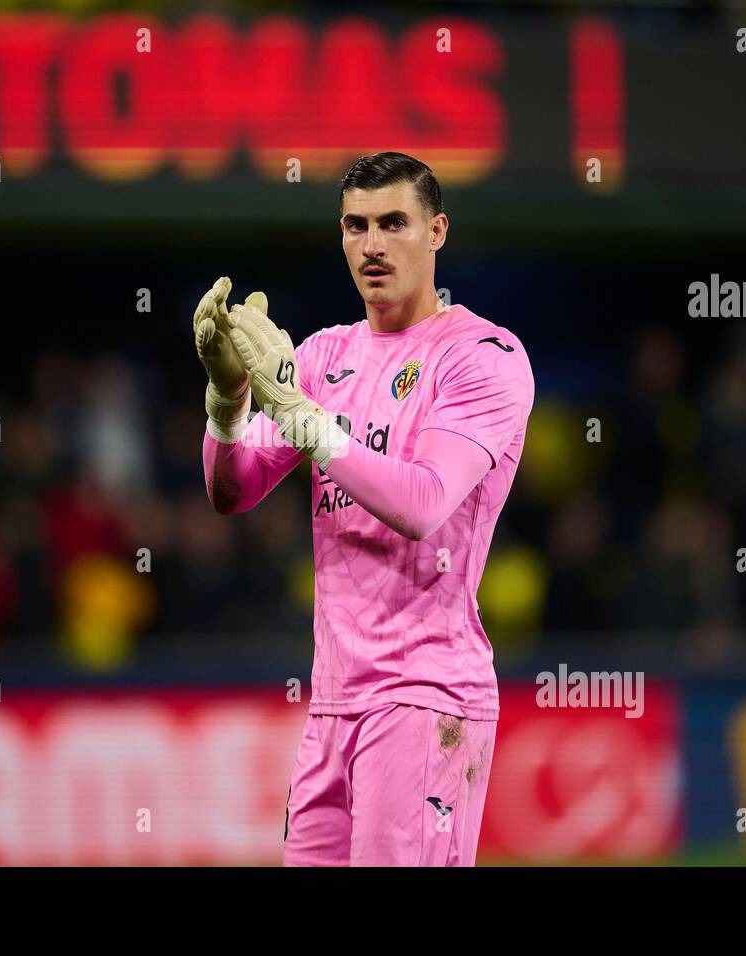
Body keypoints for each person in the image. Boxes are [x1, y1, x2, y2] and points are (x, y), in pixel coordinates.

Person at [194, 151, 534, 866]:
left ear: (437, 231)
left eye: (393, 223)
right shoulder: (322, 357)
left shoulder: (483, 357)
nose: (372, 245)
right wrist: (229, 404)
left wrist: (298, 413)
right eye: (355, 226)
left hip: (423, 695)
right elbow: (236, 490)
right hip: (332, 705)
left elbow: (423, 503)